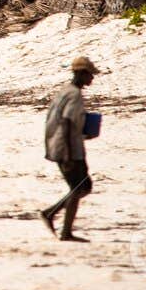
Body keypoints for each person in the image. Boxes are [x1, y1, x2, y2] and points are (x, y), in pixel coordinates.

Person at [41, 56, 97, 242]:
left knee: (80, 187)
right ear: (81, 74)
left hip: (60, 144)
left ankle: (53, 216)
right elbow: (65, 122)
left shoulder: (65, 91)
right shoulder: (74, 95)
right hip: (68, 148)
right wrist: (68, 153)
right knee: (81, 187)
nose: (92, 79)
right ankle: (61, 227)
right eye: (90, 74)